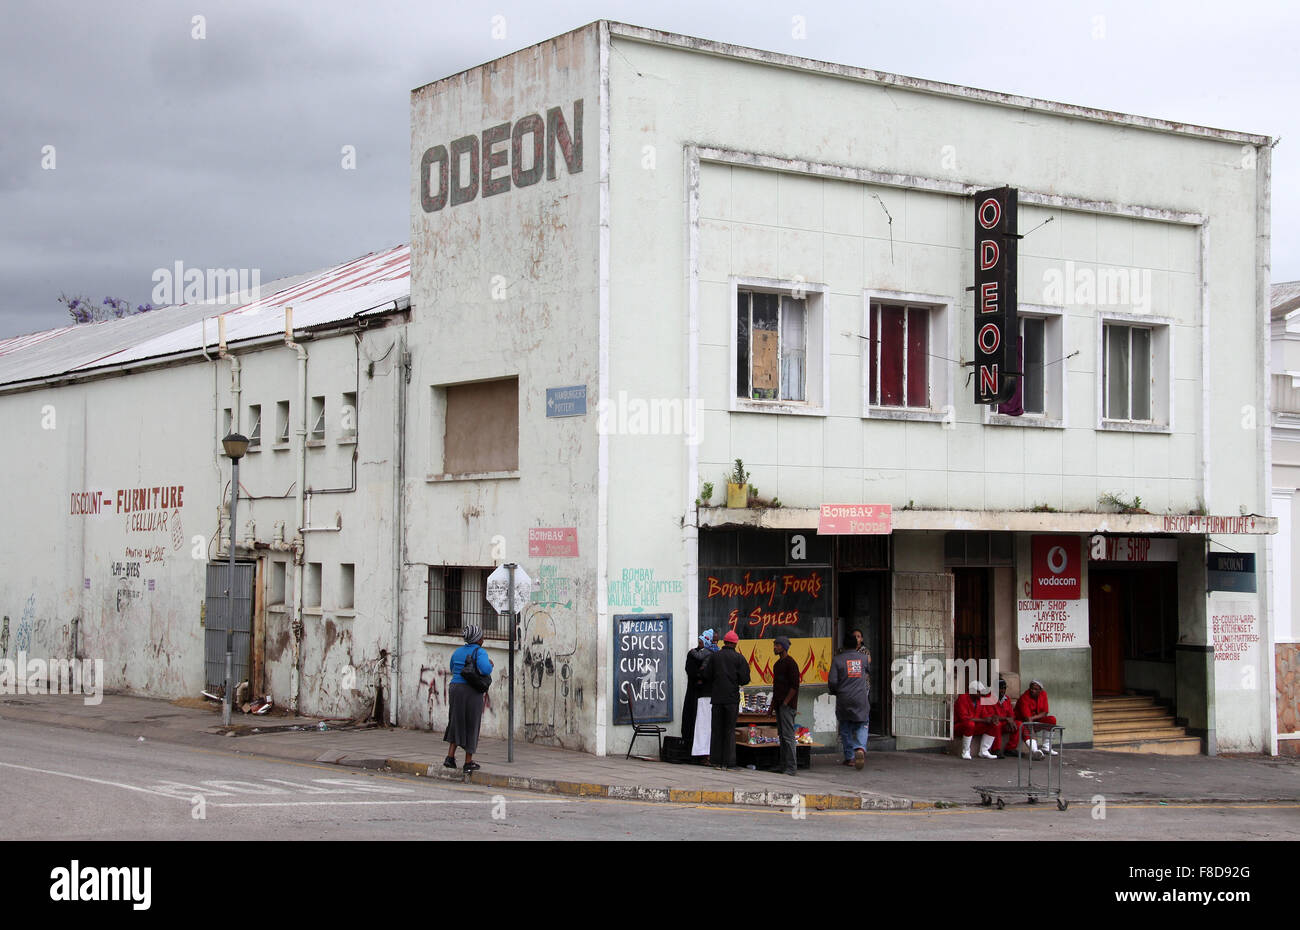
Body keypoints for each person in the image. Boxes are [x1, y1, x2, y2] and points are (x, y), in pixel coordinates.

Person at [443, 624, 493, 773]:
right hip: (470, 691)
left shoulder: (458, 652)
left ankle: (450, 758)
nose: (483, 639)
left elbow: (452, 668)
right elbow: (485, 669)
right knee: (472, 723)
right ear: (477, 639)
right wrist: (491, 664)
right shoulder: (480, 652)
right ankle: (468, 762)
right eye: (481, 637)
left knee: (456, 722)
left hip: (455, 688)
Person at [701, 630, 750, 769]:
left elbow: (706, 675)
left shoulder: (715, 657)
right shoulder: (739, 658)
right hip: (731, 699)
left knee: (716, 729)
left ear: (724, 642)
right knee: (729, 730)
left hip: (717, 698)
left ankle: (716, 760)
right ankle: (729, 762)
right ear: (735, 643)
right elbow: (745, 679)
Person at [828, 632, 870, 770]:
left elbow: (832, 681)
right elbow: (868, 671)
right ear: (856, 644)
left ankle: (850, 757)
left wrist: (836, 691)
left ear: (844, 645)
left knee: (845, 728)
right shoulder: (863, 658)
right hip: (861, 698)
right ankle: (860, 748)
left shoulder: (837, 660)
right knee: (863, 723)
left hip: (844, 698)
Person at [682, 629, 715, 755]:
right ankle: (692, 748)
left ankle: (699, 751)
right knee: (693, 720)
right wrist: (700, 676)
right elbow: (691, 670)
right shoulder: (694, 654)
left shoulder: (708, 654)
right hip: (696, 692)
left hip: (702, 693)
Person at [770, 635, 800, 776]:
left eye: (777, 645)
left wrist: (786, 702)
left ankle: (791, 767)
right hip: (779, 705)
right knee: (782, 736)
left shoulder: (791, 663)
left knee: (788, 737)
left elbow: (795, 686)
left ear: (783, 647)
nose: (775, 647)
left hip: (787, 706)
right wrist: (771, 707)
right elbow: (776, 688)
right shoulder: (777, 665)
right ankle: (783, 765)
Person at [953, 680, 1000, 759]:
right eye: (978, 692)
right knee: (969, 724)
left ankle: (984, 751)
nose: (981, 693)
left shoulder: (979, 700)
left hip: (974, 726)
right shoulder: (963, 698)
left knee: (995, 725)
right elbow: (964, 718)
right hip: (960, 727)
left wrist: (992, 718)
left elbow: (984, 714)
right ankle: (965, 751)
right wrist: (983, 720)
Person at [1016, 679, 1058, 760]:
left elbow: (1045, 712)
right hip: (1023, 721)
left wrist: (1033, 718)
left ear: (1040, 690)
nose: (1032, 691)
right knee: (1026, 728)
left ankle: (1046, 747)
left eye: (1035, 689)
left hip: (1035, 719)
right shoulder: (1024, 697)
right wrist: (1033, 734)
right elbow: (1027, 719)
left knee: (1051, 719)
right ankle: (1035, 751)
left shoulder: (1043, 694)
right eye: (1031, 688)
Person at [988, 678, 1020, 757]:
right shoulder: (989, 698)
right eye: (1000, 688)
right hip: (993, 724)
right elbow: (992, 716)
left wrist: (1011, 720)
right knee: (997, 724)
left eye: (1004, 688)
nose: (1002, 690)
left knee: (1019, 724)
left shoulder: (1007, 699)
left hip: (1005, 723)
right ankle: (996, 749)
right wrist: (1006, 719)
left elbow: (1011, 714)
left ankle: (1010, 749)